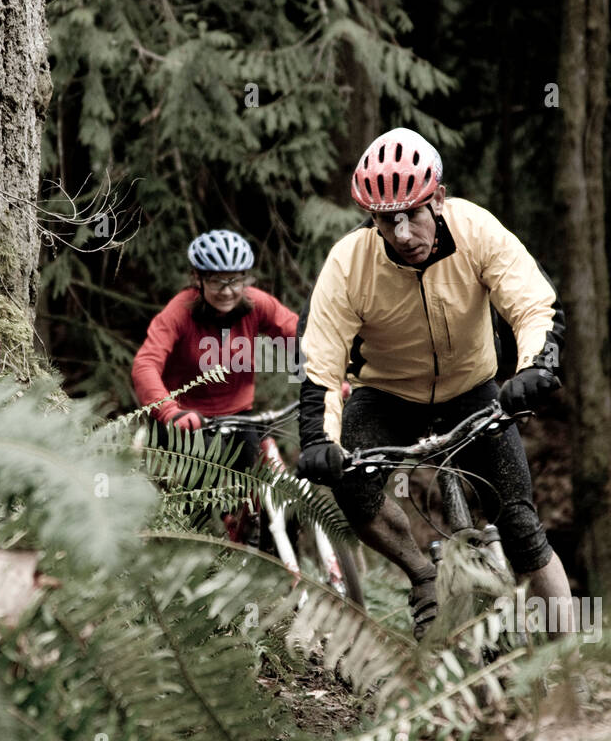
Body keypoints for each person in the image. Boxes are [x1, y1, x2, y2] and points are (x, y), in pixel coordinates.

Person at [295, 127, 571, 639]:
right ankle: (422, 577)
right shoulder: (349, 264)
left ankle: (570, 667)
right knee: (353, 489)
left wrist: (534, 367)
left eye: (412, 215)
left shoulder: (476, 231)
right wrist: (319, 440)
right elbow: (322, 364)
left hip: (474, 392)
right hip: (387, 397)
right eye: (386, 221)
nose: (401, 234)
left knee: (523, 529)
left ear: (438, 198)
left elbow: (534, 303)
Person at [132, 229, 300, 514]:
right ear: (197, 279)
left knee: (254, 494)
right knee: (197, 504)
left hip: (238, 415)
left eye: (235, 280)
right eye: (216, 281)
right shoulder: (179, 312)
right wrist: (169, 411)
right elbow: (145, 364)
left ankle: (250, 536)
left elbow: (298, 337)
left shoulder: (257, 304)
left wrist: (330, 380)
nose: (227, 291)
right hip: (185, 419)